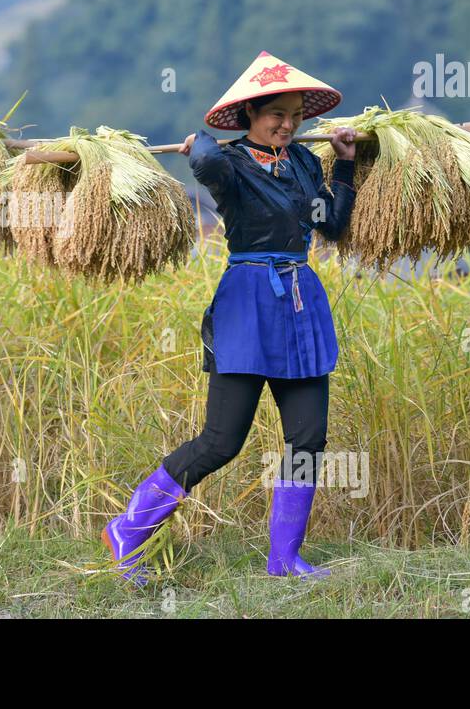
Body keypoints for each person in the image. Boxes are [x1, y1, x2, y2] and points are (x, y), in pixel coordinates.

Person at [103, 51, 359, 583]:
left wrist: (347, 162)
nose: (288, 125)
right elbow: (206, 165)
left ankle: (284, 559)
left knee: (308, 438)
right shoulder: (233, 164)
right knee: (222, 441)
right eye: (276, 115)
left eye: (295, 116)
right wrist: (200, 143)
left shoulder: (306, 164)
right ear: (249, 116)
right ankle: (127, 529)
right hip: (247, 303)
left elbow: (331, 223)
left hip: (299, 302)